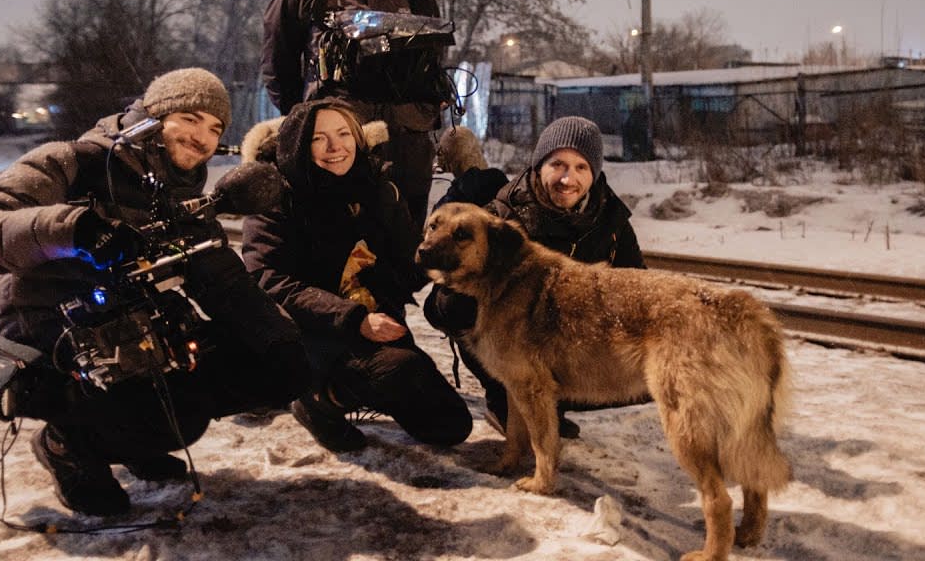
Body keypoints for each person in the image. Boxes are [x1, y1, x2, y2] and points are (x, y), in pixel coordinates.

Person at [0, 68, 310, 517]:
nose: (203, 136)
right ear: (153, 115)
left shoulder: (181, 198)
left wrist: (282, 344)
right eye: (191, 118)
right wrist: (75, 231)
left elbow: (225, 282)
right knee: (167, 418)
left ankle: (132, 430)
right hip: (47, 329)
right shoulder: (73, 161)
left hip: (136, 333)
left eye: (215, 127)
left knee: (265, 362)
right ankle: (68, 445)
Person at [240, 99, 472, 452]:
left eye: (344, 133)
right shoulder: (274, 197)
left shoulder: (375, 186)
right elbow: (266, 279)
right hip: (312, 333)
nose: (336, 147)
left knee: (450, 425)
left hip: (376, 321)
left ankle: (366, 383)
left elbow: (409, 261)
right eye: (319, 138)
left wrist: (454, 261)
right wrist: (352, 319)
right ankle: (318, 399)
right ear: (299, 144)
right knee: (398, 371)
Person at [424, 116, 646, 438]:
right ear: (539, 166)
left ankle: (551, 404)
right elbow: (440, 303)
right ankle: (505, 397)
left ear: (594, 174)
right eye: (558, 164)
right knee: (465, 314)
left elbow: (636, 285)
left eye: (581, 167)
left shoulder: (611, 221)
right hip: (515, 346)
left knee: (653, 372)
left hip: (573, 345)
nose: (568, 178)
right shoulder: (500, 217)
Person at [260, 0, 449, 237]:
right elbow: (277, 63)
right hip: (336, 146)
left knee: (400, 256)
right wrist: (304, 123)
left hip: (408, 149)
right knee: (332, 245)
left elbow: (432, 69)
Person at [432, 125, 509, 210]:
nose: (438, 154)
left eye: (441, 151)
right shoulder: (497, 177)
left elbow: (436, 217)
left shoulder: (456, 195)